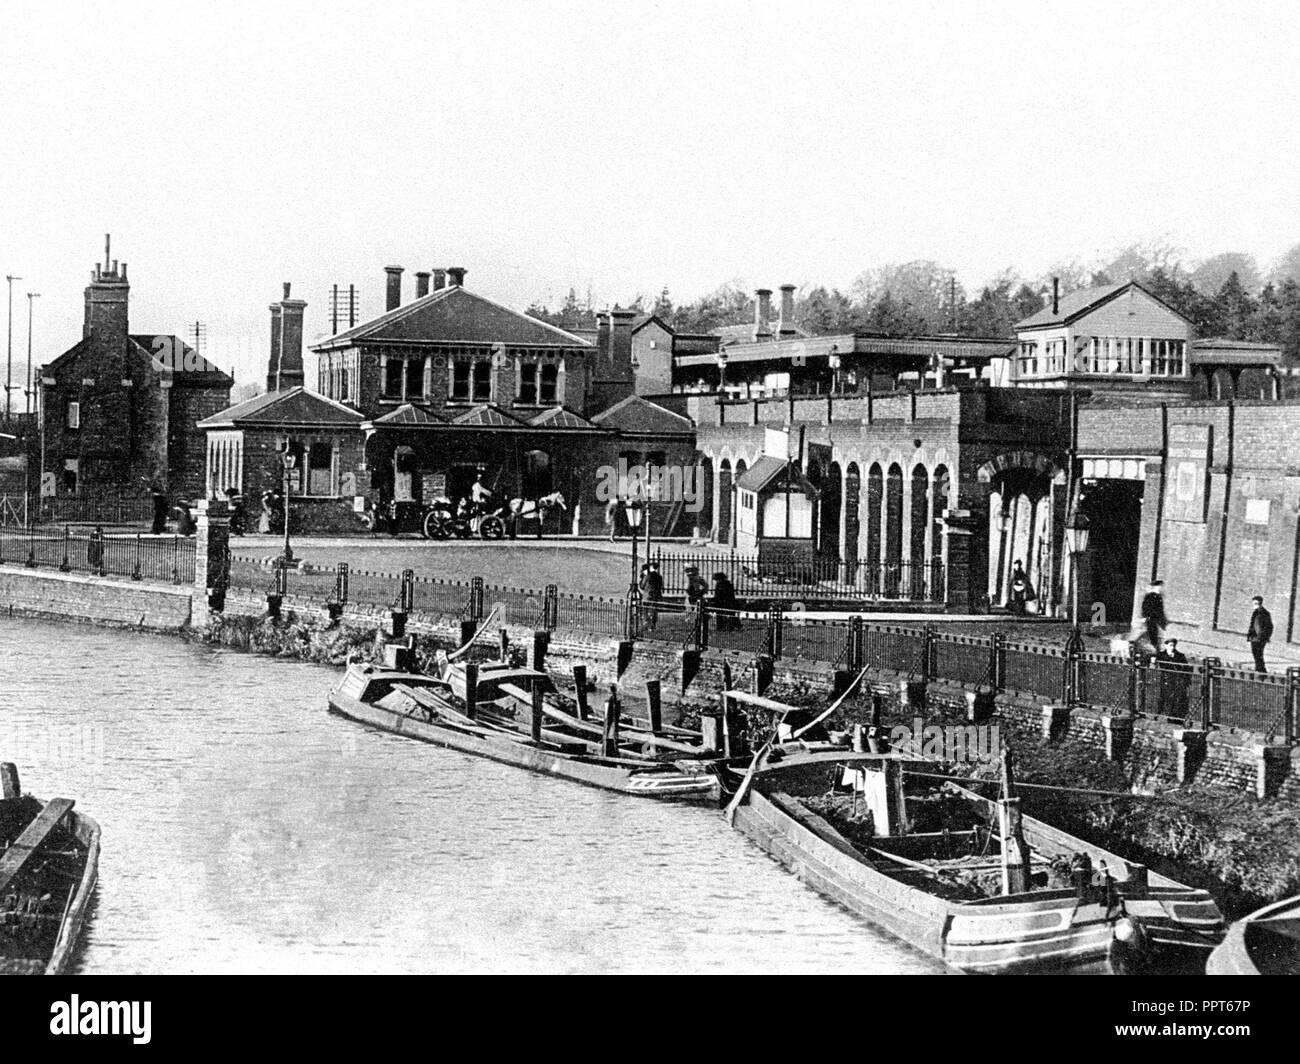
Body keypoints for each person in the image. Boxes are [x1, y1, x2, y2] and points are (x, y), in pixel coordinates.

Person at [1156, 638, 1190, 722]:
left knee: (1177, 698)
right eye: (1170, 645)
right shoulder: (1161, 655)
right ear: (1166, 646)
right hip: (1166, 680)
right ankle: (1164, 715)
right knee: (1166, 698)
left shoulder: (1180, 655)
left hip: (1177, 680)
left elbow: (1186, 667)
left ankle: (1176, 717)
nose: (1172, 647)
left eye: (1173, 646)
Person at [1139, 581, 1168, 651]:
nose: (1162, 588)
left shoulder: (1157, 596)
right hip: (1151, 620)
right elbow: (1146, 608)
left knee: (1154, 636)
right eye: (1161, 586)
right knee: (1152, 636)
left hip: (1154, 620)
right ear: (1157, 587)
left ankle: (1155, 649)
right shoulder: (1151, 596)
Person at [1247, 595, 1273, 674]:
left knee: (1258, 654)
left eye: (1256, 603)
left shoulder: (1263, 613)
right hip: (1255, 637)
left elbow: (1269, 626)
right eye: (1254, 603)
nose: (1254, 605)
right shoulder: (1256, 612)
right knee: (1257, 654)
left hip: (1259, 638)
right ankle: (1259, 669)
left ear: (1260, 604)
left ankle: (1261, 670)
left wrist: (1263, 636)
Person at [638, 561, 664, 631]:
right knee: (654, 611)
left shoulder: (647, 576)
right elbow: (661, 586)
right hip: (655, 597)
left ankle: (646, 624)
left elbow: (642, 586)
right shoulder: (659, 577)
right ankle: (652, 626)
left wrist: (641, 579)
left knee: (645, 611)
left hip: (647, 596)